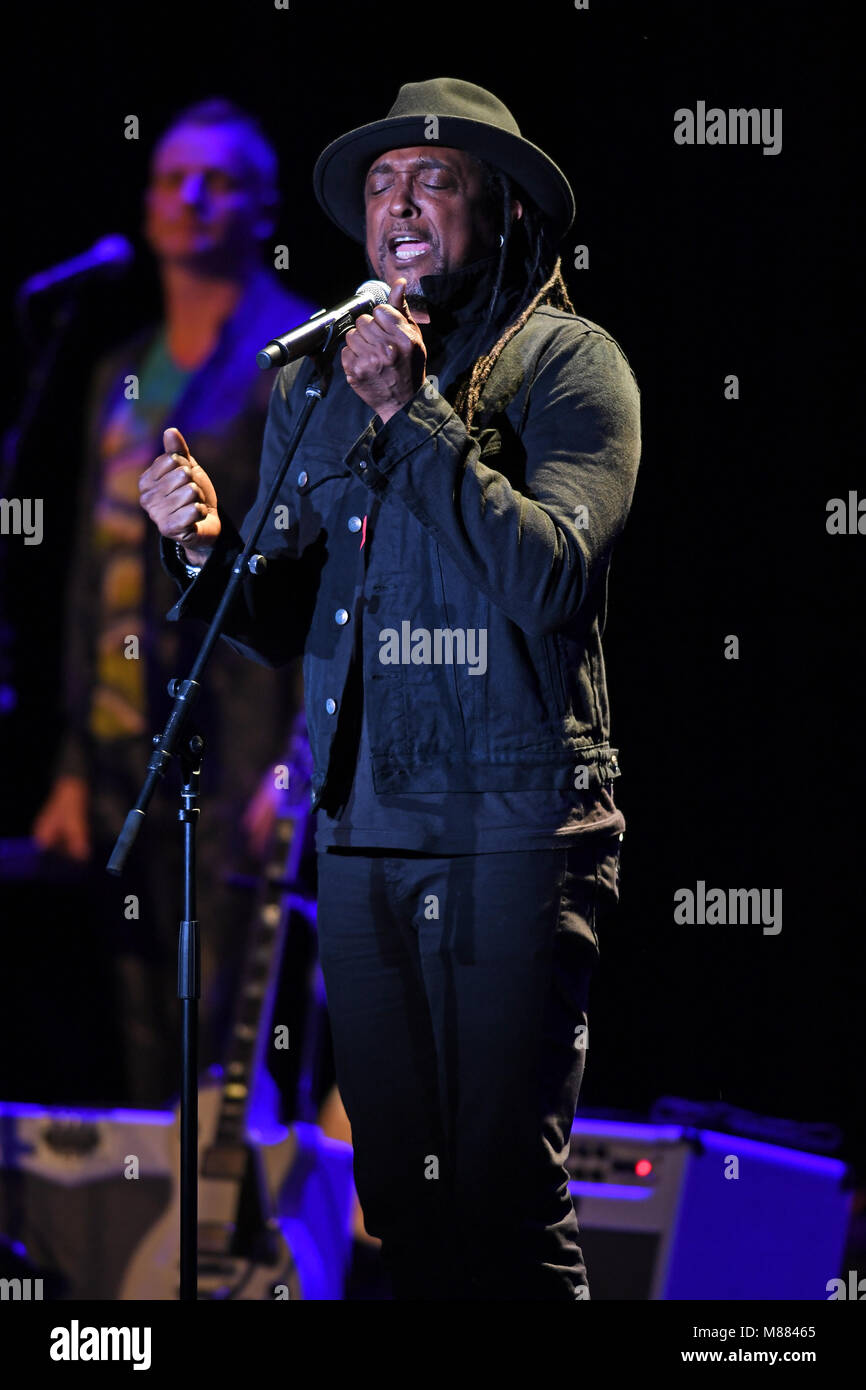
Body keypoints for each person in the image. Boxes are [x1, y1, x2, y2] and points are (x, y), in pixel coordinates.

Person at [139, 78, 641, 1299]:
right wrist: (205, 548)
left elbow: (550, 579)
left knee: (502, 1194)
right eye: (379, 187)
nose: (398, 206)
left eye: (432, 181)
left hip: (519, 825)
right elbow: (291, 609)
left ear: (503, 210)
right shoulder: (320, 378)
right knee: (405, 1205)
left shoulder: (572, 365)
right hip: (366, 828)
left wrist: (409, 411)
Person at [32, 98, 313, 1107]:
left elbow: (322, 579)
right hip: (118, 748)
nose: (190, 198)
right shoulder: (117, 372)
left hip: (232, 749)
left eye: (218, 180)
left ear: (260, 206)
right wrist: (72, 760)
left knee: (222, 1020)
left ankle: (233, 1252)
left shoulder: (296, 361)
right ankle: (157, 1255)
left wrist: (297, 761)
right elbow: (90, 572)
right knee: (139, 1027)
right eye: (171, 179)